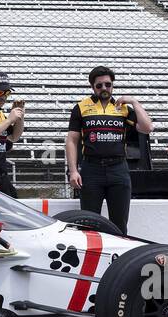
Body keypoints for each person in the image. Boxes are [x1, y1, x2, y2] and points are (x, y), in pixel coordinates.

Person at [65, 65, 153, 230]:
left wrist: (134, 101)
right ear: (92, 87)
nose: (104, 88)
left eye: (108, 84)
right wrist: (73, 170)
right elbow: (71, 140)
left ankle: (118, 256)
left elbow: (147, 127)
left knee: (119, 225)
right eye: (99, 85)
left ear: (112, 85)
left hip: (118, 169)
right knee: (88, 224)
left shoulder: (123, 108)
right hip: (91, 170)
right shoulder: (81, 107)